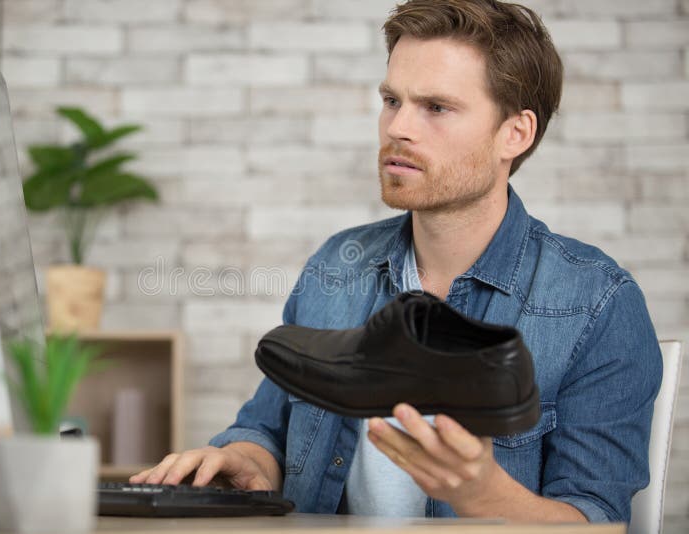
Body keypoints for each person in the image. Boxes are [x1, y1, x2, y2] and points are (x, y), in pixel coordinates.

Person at [131, 0, 662, 523]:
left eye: (436, 107)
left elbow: (597, 519)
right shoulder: (336, 268)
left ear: (515, 133)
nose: (397, 128)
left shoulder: (596, 303)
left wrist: (483, 495)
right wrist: (246, 460)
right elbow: (267, 428)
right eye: (391, 100)